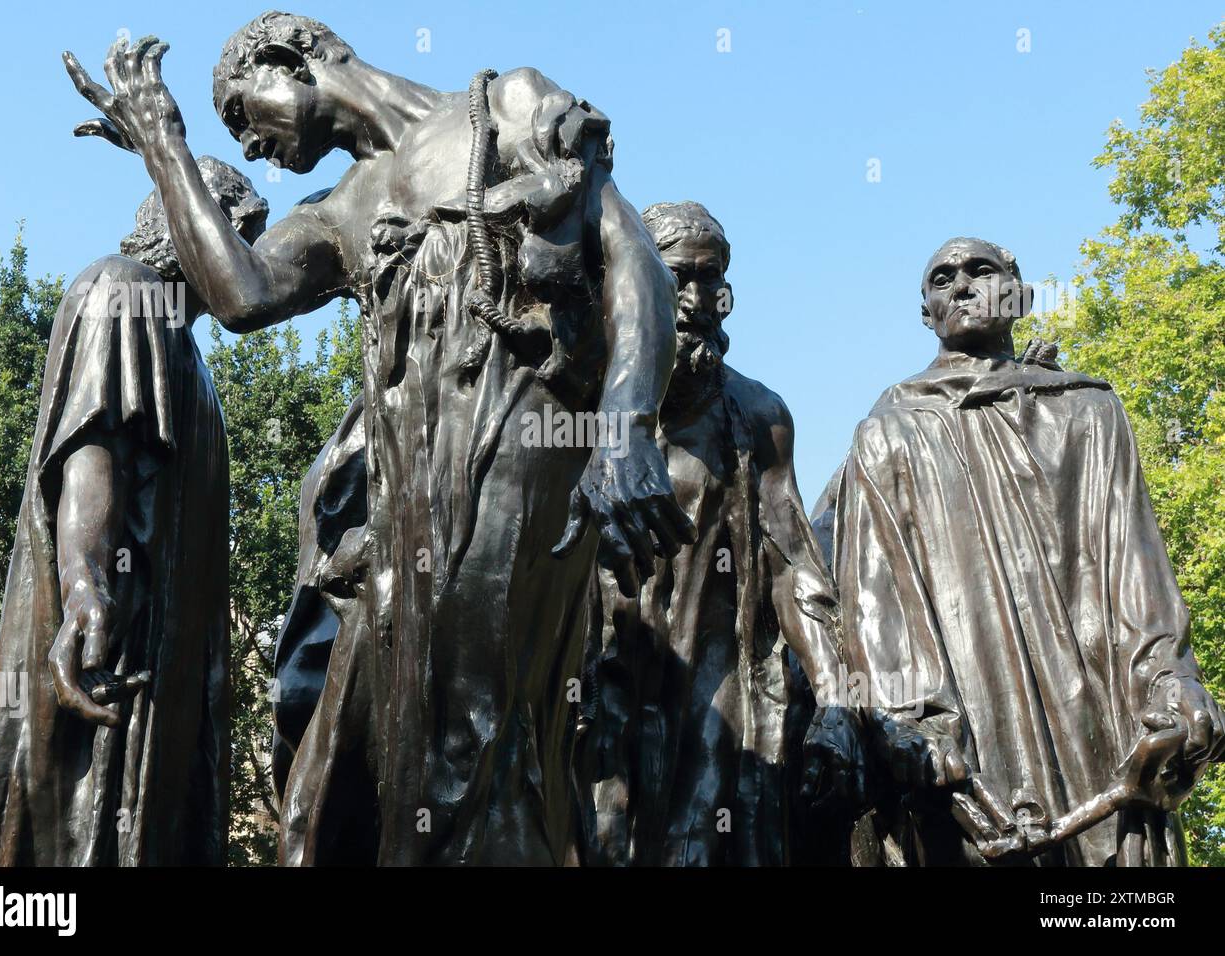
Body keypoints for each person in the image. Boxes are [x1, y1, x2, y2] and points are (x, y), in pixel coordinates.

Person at [65, 11, 693, 864]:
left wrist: (626, 426)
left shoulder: (508, 105)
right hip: (409, 518)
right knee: (380, 775)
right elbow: (242, 297)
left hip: (520, 471)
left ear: (288, 59)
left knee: (473, 752)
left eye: (245, 115)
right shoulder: (340, 211)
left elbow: (635, 262)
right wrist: (161, 146)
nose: (251, 151)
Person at [823, 236, 1225, 865]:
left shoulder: (1091, 411)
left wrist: (1174, 681)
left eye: (981, 271)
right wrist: (916, 733)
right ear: (925, 312)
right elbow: (876, 607)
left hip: (1104, 724)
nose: (960, 285)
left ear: (1019, 294)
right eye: (941, 279)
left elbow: (1136, 564)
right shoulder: (889, 432)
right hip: (971, 741)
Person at [0, 157, 267, 866]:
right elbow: (92, 445)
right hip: (108, 651)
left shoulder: (197, 371)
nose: (245, 258)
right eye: (234, 233)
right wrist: (84, 585)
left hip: (163, 676)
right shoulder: (124, 288)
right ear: (186, 226)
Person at [575, 202, 864, 865]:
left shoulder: (759, 416)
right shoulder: (577, 403)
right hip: (599, 680)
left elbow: (796, 569)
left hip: (714, 690)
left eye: (714, 280)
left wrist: (833, 698)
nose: (702, 300)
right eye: (681, 277)